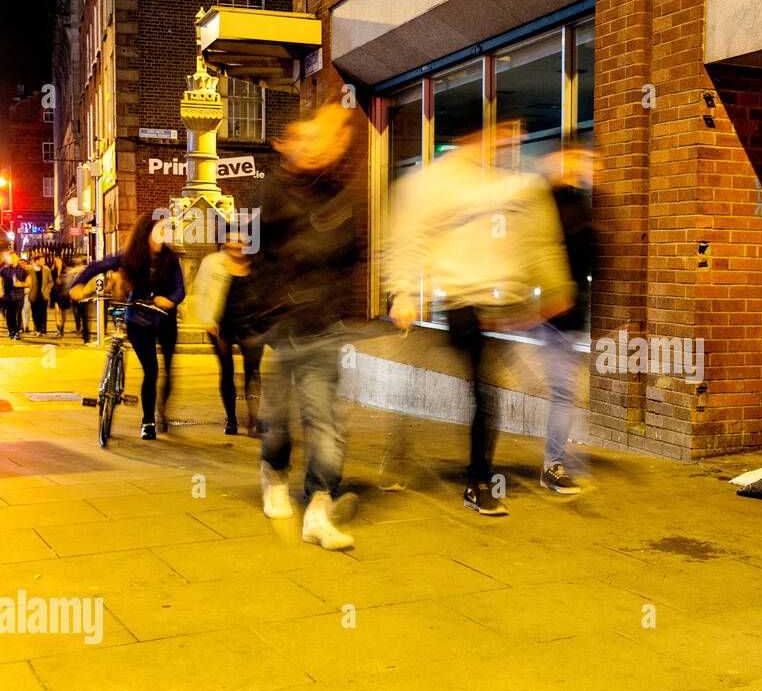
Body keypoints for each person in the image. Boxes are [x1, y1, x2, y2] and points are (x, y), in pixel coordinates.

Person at [386, 122, 574, 516]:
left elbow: (535, 238)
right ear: (473, 136)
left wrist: (553, 286)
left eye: (513, 139)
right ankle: (476, 483)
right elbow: (411, 238)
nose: (508, 144)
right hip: (460, 303)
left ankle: (448, 467)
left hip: (499, 307)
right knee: (482, 394)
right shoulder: (435, 181)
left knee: (482, 393)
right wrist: (405, 293)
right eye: (502, 136)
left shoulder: (506, 184)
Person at [248, 103, 360, 550]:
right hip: (282, 327)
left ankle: (318, 507)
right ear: (297, 141)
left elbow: (350, 260)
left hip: (324, 328)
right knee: (276, 420)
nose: (324, 147)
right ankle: (273, 476)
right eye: (316, 137)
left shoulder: (341, 196)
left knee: (327, 424)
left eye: (333, 140)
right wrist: (265, 317)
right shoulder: (272, 190)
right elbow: (258, 258)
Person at [71, 212, 184, 439]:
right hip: (139, 318)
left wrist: (170, 300)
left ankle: (162, 407)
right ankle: (148, 421)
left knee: (168, 368)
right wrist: (78, 285)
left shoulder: (171, 259)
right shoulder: (130, 255)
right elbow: (97, 266)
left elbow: (180, 289)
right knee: (151, 370)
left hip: (163, 318)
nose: (166, 235)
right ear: (146, 233)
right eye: (160, 230)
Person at [531, 148, 596, 495]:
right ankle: (551, 466)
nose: (584, 166)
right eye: (576, 160)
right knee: (563, 392)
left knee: (562, 391)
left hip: (566, 316)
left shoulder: (576, 203)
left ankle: (551, 464)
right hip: (551, 314)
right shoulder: (548, 204)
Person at [194, 230, 265, 435]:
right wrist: (207, 319)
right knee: (227, 371)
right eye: (232, 239)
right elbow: (201, 290)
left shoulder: (256, 263)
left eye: (241, 240)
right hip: (221, 324)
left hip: (251, 326)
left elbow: (265, 293)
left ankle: (254, 418)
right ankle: (231, 418)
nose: (237, 244)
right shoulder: (212, 262)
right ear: (225, 242)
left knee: (253, 372)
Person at [1, 251, 28, 340]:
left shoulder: (23, 270)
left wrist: (22, 284)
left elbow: (29, 282)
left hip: (19, 296)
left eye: (14, 257)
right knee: (9, 314)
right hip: (8, 296)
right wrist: (0, 289)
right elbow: (0, 280)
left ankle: (17, 331)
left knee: (17, 314)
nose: (12, 259)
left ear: (17, 258)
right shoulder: (4, 270)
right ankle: (11, 330)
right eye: (10, 257)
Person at [49, 254, 71, 338]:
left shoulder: (65, 271)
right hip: (55, 293)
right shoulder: (53, 271)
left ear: (62, 262)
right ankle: (57, 327)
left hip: (63, 293)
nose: (58, 263)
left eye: (59, 262)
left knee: (63, 311)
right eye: (56, 262)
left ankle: (62, 326)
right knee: (57, 310)